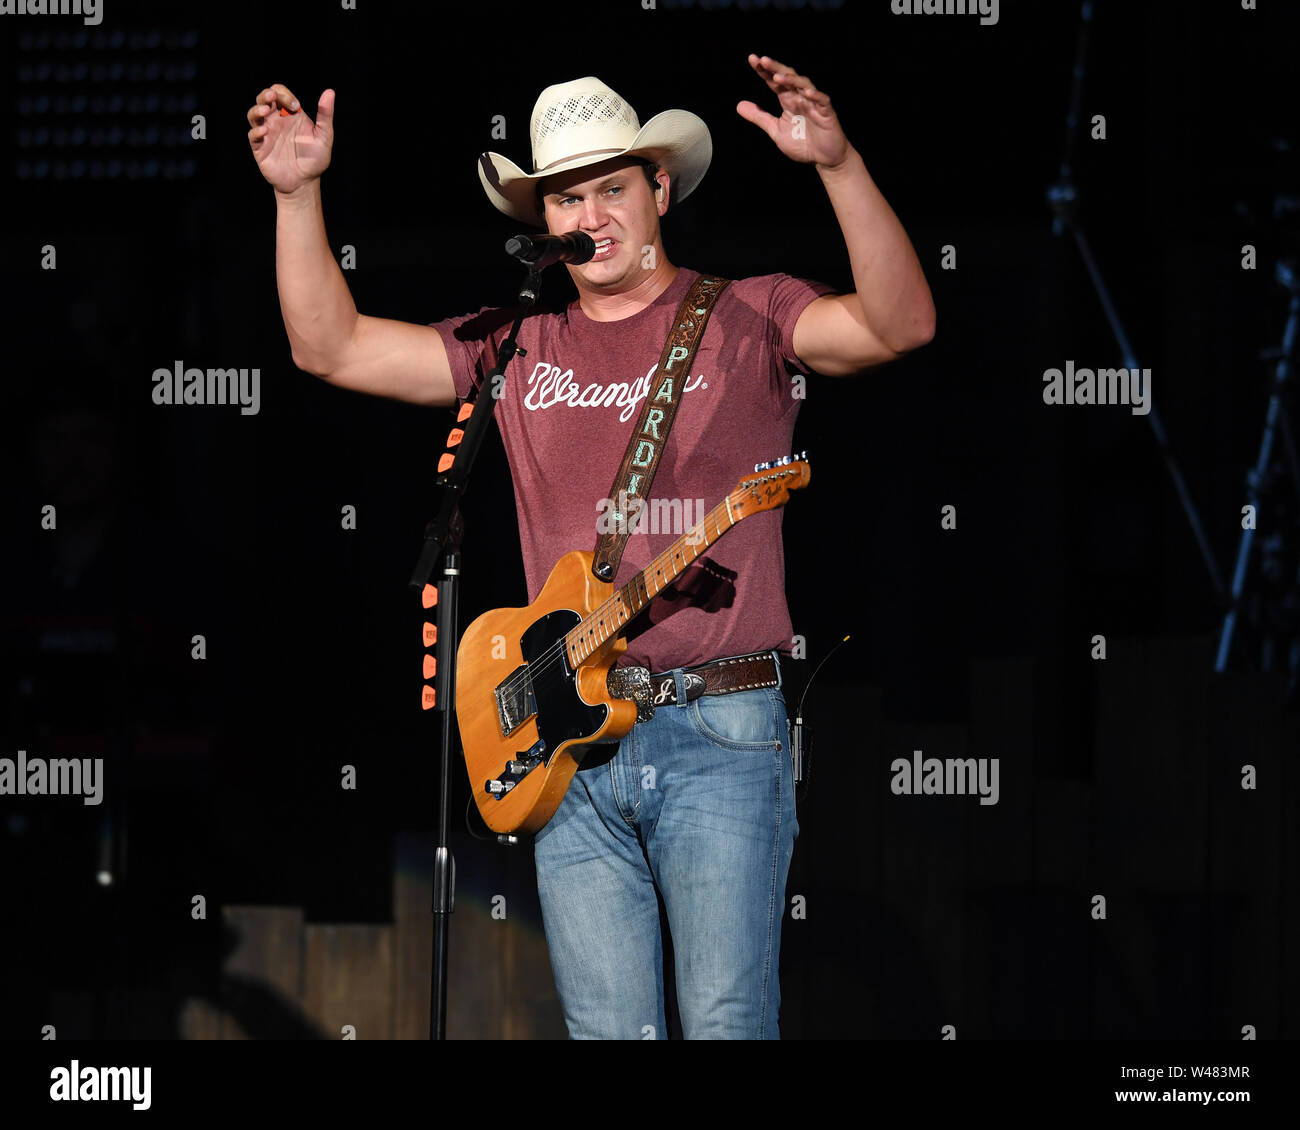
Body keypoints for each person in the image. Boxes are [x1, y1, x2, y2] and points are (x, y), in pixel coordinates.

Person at [247, 55, 935, 1039]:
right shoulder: (517, 340)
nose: (594, 213)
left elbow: (900, 325)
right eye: (568, 195)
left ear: (660, 188)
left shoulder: (750, 311)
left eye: (613, 186)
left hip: (719, 727)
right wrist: (297, 196)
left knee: (727, 1021)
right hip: (567, 745)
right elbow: (331, 347)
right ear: (543, 218)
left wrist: (838, 167)